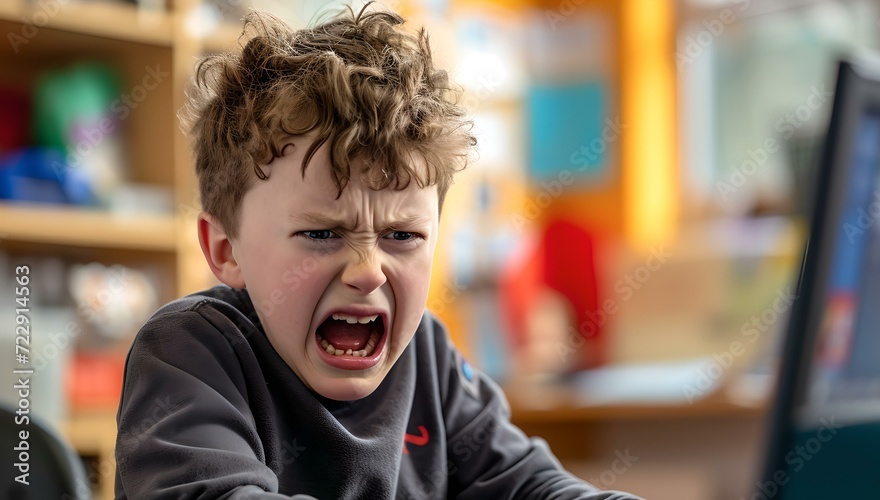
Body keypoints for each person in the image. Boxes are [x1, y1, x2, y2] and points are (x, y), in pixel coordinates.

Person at [114, 4, 640, 499]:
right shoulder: (189, 353)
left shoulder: (427, 357)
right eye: (321, 234)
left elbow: (532, 486)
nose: (367, 272)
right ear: (226, 250)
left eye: (403, 236)